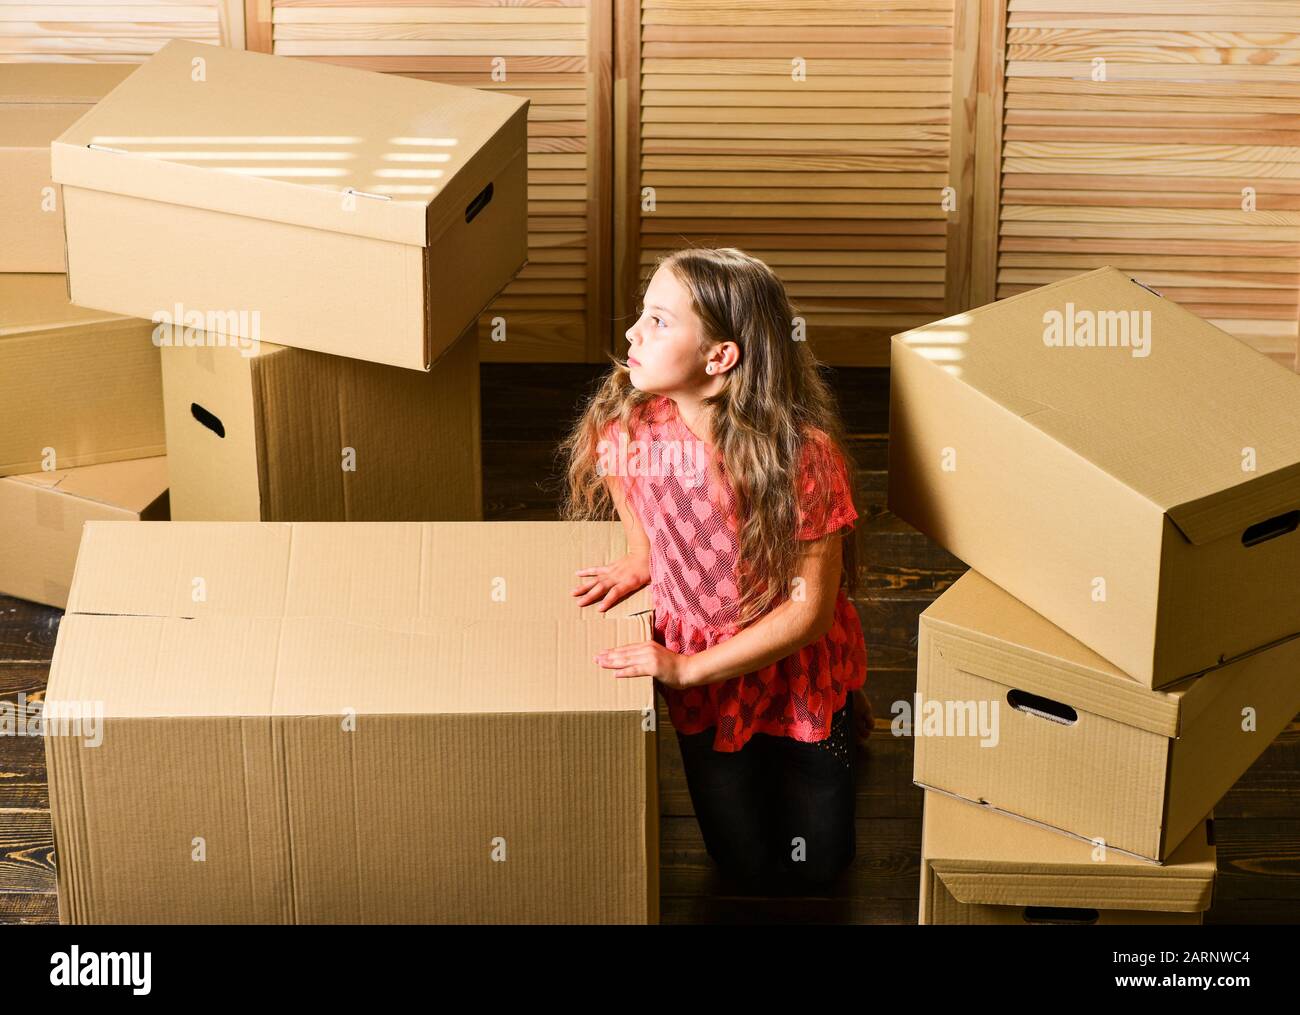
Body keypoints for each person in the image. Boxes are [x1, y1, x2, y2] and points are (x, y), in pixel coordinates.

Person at [559, 246, 870, 895]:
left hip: (791, 670)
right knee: (741, 863)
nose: (631, 332)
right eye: (642, 313)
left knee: (821, 864)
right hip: (701, 672)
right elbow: (617, 468)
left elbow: (809, 612)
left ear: (720, 357)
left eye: (659, 321)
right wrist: (643, 552)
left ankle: (844, 735)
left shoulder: (802, 458)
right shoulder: (634, 425)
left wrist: (684, 670)